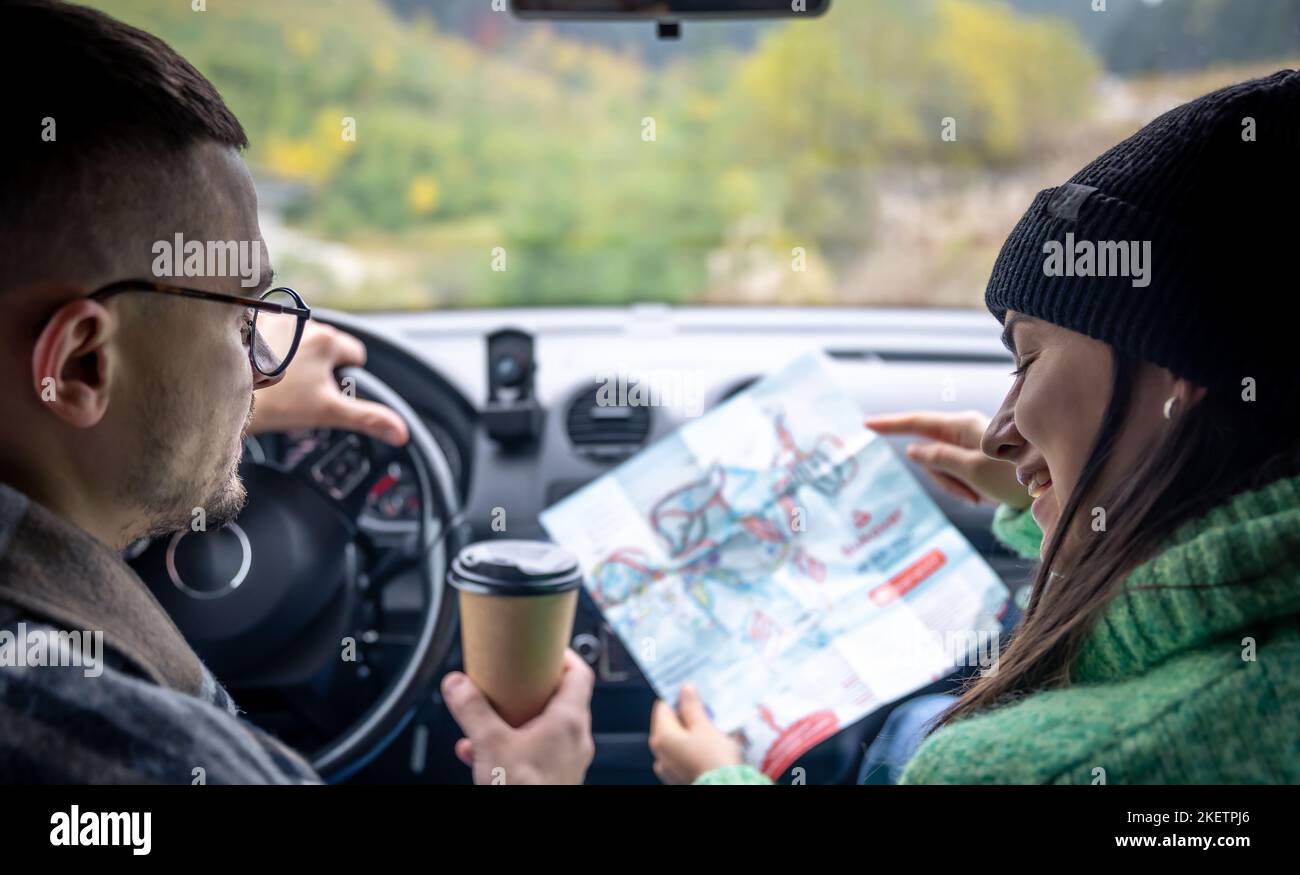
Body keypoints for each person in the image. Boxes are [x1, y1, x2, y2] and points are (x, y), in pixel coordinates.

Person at [0, 0, 593, 784]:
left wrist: (172, 408)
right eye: (243, 319)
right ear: (80, 365)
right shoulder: (141, 751)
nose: (260, 370)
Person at [651, 69, 1300, 785]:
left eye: (1027, 358)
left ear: (1181, 358)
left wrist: (715, 776)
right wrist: (1049, 492)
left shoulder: (1010, 771)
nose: (997, 432)